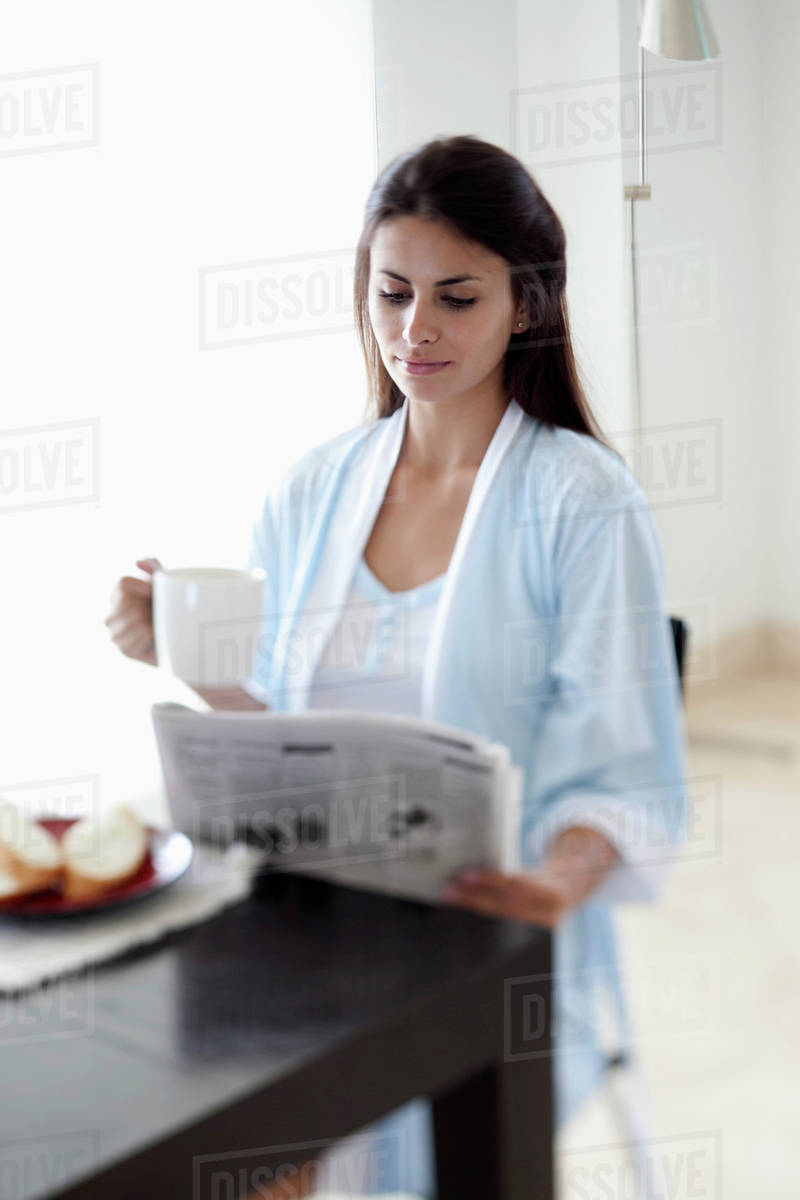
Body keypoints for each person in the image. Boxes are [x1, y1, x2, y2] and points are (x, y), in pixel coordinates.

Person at [106, 135, 688, 1198]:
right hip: (311, 908)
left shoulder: (582, 503)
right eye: (390, 293)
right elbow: (279, 726)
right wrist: (184, 660)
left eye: (455, 298)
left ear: (525, 304)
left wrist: (549, 886)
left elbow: (623, 770)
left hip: (480, 929)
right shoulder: (311, 487)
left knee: (278, 1116)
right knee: (162, 1095)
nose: (413, 331)